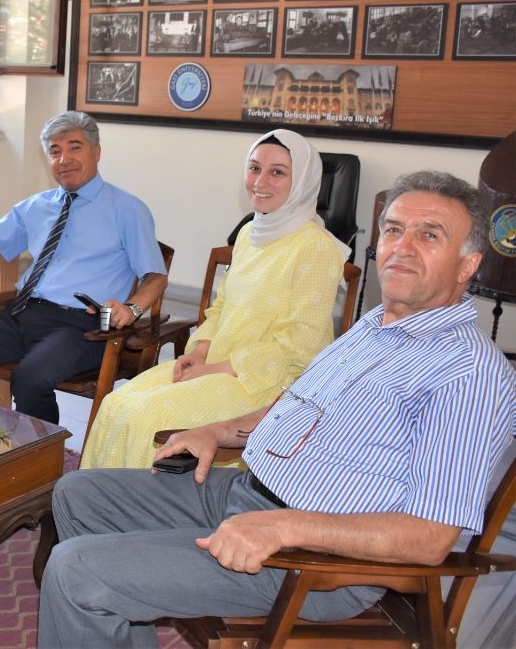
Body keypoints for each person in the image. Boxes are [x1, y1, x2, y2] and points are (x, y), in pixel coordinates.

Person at [38, 170, 516, 649]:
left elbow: (430, 538)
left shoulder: (467, 371)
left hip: (314, 560)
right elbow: (298, 407)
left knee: (76, 572)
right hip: (247, 491)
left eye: (429, 235)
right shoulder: (377, 326)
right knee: (77, 493)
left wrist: (284, 526)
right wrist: (220, 431)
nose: (403, 246)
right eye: (393, 229)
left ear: (467, 264)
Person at [80, 130, 348, 469]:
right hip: (217, 362)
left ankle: (139, 514)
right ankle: (95, 511)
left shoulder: (316, 247)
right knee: (117, 403)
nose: (260, 181)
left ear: (303, 182)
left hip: (265, 383)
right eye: (254, 168)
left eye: (277, 172)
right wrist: (200, 352)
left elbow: (300, 345)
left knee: (146, 416)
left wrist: (216, 369)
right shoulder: (251, 232)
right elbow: (222, 307)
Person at [0, 112, 167, 424]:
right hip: (24, 314)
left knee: (30, 378)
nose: (64, 159)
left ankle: (40, 458)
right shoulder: (36, 206)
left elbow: (155, 276)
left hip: (82, 326)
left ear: (97, 151)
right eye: (55, 151)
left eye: (75, 147)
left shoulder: (127, 209)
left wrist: (133, 309)